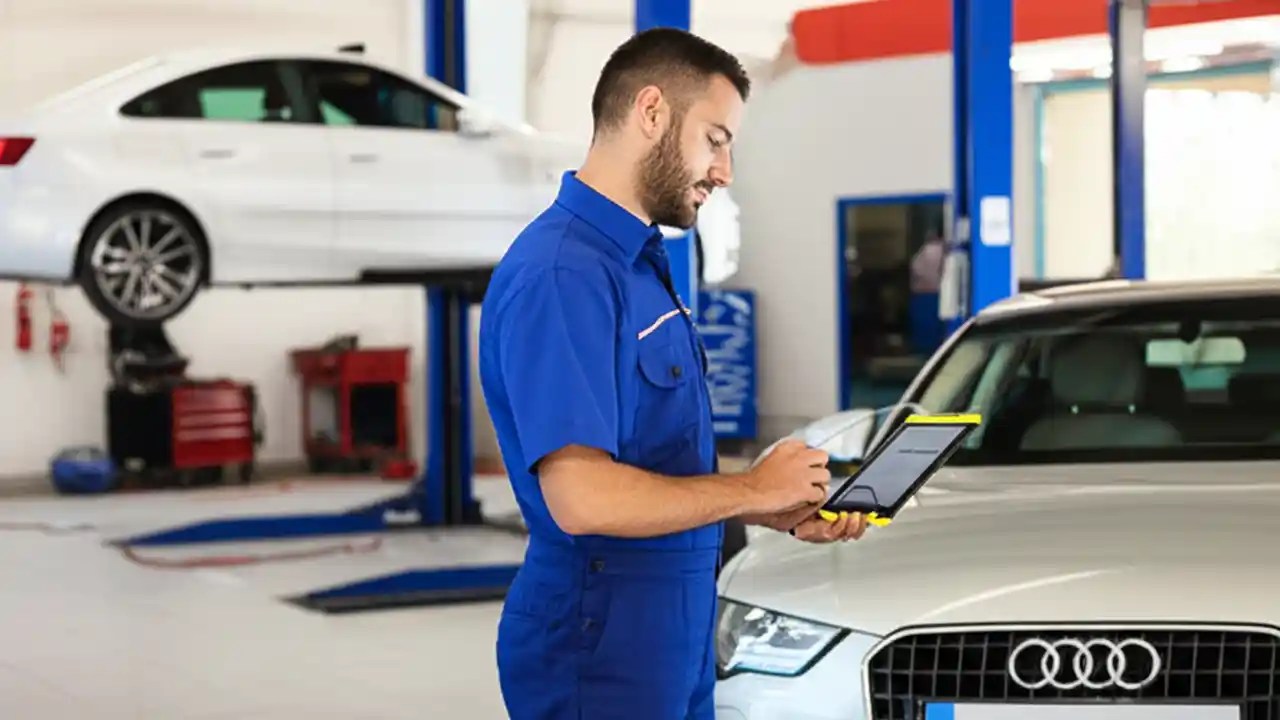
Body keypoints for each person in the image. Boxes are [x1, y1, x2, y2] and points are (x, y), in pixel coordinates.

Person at [478, 28, 868, 720]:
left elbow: (660, 466)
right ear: (651, 112)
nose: (725, 171)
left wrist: (769, 504)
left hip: (668, 628)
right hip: (600, 641)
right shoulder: (565, 275)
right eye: (716, 139)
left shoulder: (637, 265)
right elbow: (584, 497)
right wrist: (749, 488)